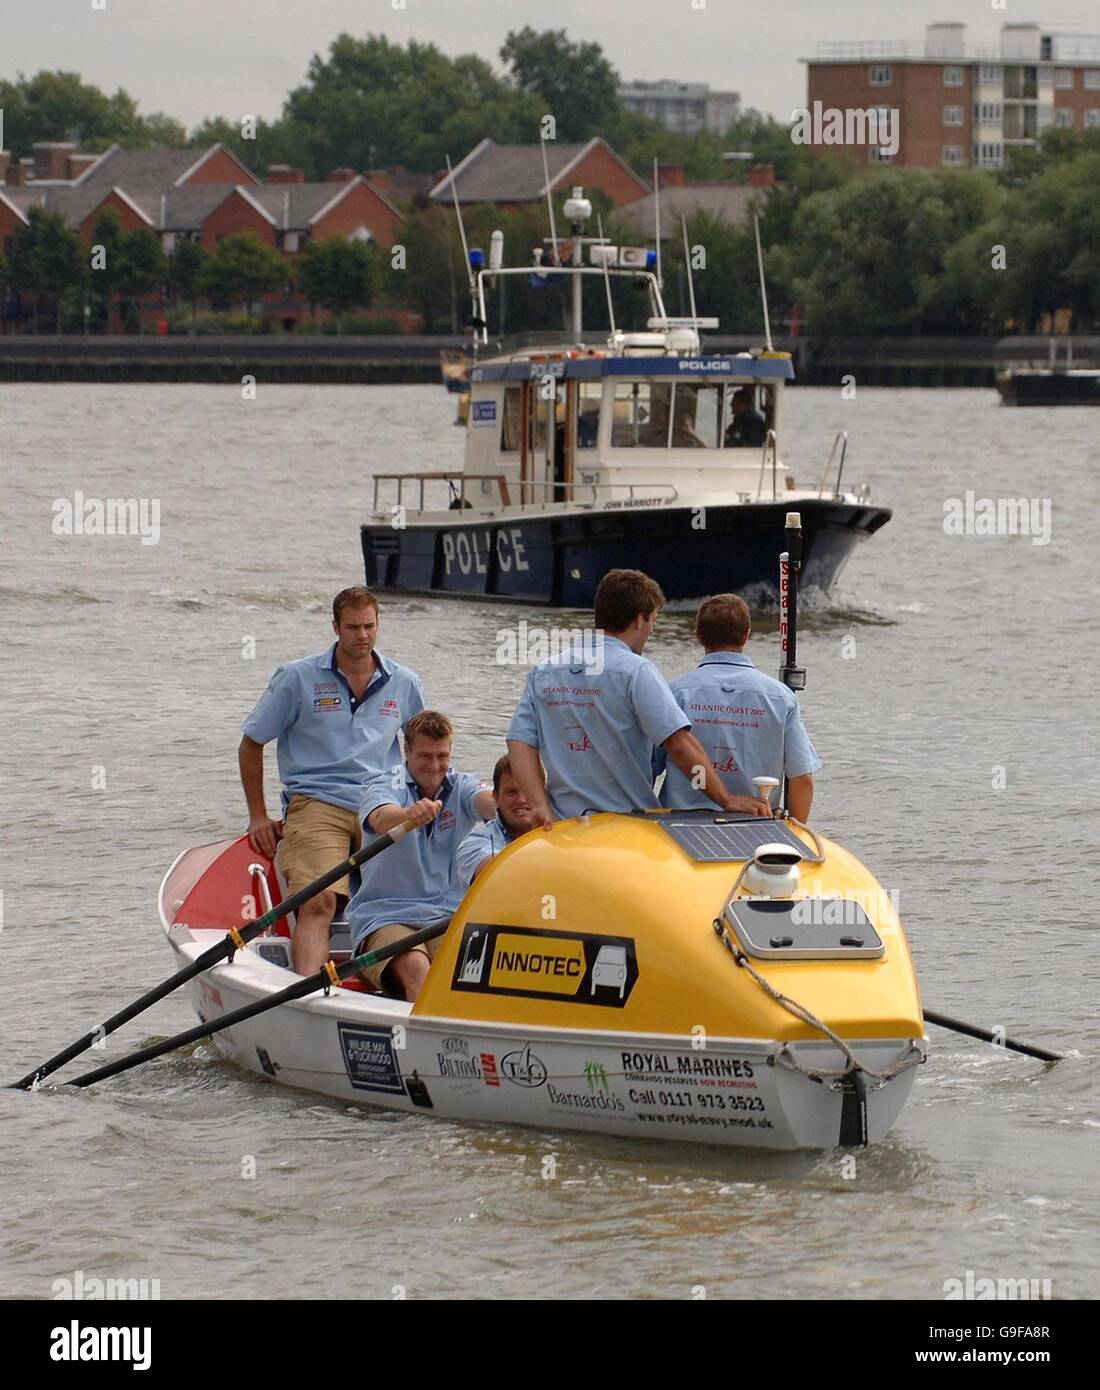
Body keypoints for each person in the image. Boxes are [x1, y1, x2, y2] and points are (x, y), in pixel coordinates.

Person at [239, 587, 425, 977]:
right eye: (353, 627)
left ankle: (408, 982)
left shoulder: (405, 682)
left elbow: (423, 753)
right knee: (320, 901)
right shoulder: (297, 677)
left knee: (410, 903)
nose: (363, 635)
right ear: (335, 627)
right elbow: (252, 742)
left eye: (369, 626)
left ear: (379, 625)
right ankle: (311, 989)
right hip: (317, 803)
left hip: (382, 804)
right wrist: (258, 816)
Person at [507, 568, 772, 827]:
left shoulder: (544, 672)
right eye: (654, 619)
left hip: (564, 825)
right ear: (639, 619)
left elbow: (519, 743)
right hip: (627, 826)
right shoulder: (636, 672)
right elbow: (680, 746)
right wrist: (725, 799)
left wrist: (539, 805)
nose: (652, 629)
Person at [348, 710, 497, 1000]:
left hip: (448, 916)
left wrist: (513, 807)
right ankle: (425, 1043)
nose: (434, 765)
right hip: (385, 916)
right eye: (425, 756)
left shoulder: (462, 784)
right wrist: (408, 815)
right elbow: (380, 818)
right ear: (407, 751)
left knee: (474, 969)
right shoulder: (384, 785)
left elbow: (488, 803)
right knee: (418, 968)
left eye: (442, 756)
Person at [656, 593, 821, 821]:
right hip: (756, 821)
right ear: (746, 636)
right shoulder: (781, 698)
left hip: (680, 824)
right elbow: (802, 778)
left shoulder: (674, 693)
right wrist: (796, 837)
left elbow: (646, 769)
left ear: (698, 636)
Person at [455, 754, 539, 888]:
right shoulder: (474, 844)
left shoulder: (561, 835)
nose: (521, 799)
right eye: (511, 792)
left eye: (528, 789)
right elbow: (497, 875)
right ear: (496, 797)